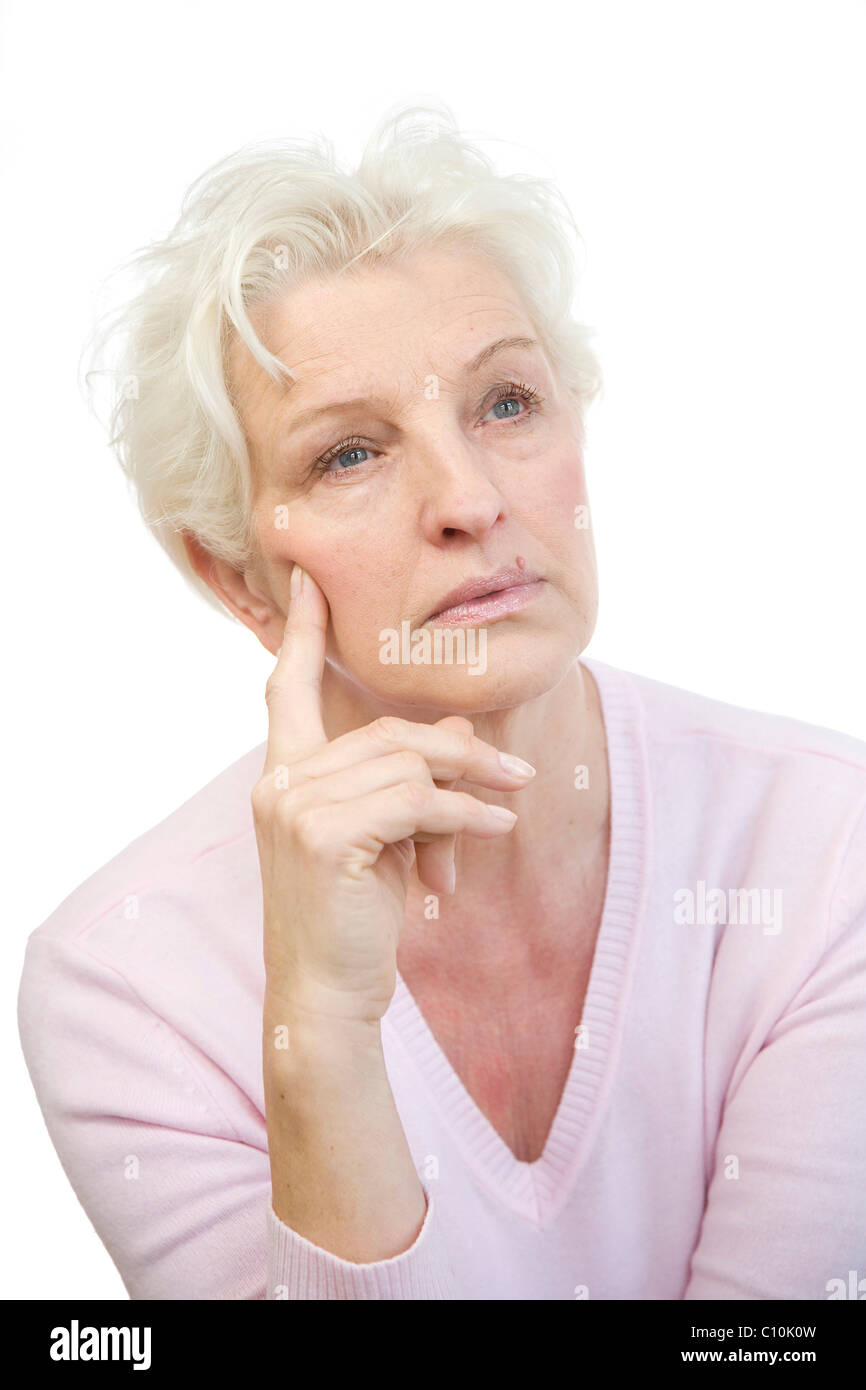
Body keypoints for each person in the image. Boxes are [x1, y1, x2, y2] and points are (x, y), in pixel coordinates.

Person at [17, 103, 866, 1300]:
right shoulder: (125, 981)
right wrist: (316, 1030)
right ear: (233, 576)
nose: (468, 497)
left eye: (505, 403)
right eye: (349, 454)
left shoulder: (828, 845)